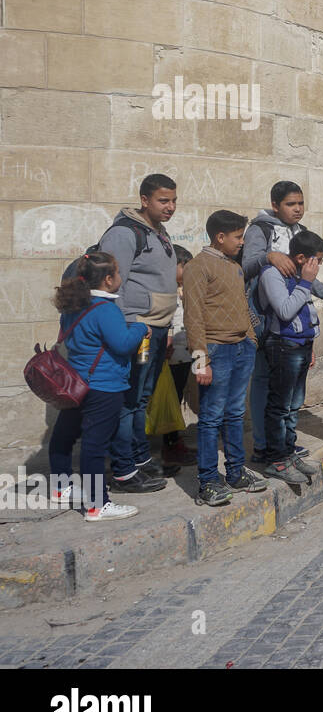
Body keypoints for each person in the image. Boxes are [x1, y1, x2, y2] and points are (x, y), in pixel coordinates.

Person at [242, 181, 323, 463]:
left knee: (290, 392)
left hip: (293, 324)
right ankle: (262, 445)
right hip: (265, 317)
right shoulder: (260, 229)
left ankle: (282, 445)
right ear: (275, 205)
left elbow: (309, 278)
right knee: (263, 381)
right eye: (290, 204)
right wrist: (268, 256)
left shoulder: (301, 234)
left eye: (300, 204)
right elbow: (244, 266)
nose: (297, 209)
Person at [47, 251, 149, 520]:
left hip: (75, 384)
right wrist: (140, 329)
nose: (119, 277)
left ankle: (60, 488)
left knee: (64, 437)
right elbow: (123, 345)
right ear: (107, 279)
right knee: (94, 446)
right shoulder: (106, 310)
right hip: (103, 387)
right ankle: (97, 505)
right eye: (116, 273)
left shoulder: (73, 307)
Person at [100, 173, 178, 494]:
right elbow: (110, 287)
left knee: (141, 399)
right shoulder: (124, 233)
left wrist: (168, 327)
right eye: (163, 200)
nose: (170, 207)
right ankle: (123, 470)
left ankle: (141, 460)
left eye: (173, 200)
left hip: (156, 330)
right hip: (136, 331)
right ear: (144, 200)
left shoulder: (159, 232)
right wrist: (124, 330)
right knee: (129, 401)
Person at [184, 210, 268, 506]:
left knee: (234, 414)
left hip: (241, 348)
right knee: (209, 418)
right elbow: (192, 316)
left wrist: (251, 339)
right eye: (238, 236)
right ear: (220, 238)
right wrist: (200, 360)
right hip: (215, 352)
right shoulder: (198, 267)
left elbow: (243, 304)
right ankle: (208, 482)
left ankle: (235, 473)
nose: (242, 242)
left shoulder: (234, 266)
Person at [256, 231, 323, 484]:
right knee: (279, 406)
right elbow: (286, 311)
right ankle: (276, 459)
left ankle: (288, 452)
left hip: (301, 346)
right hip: (283, 346)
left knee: (294, 405)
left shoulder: (300, 275)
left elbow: (306, 314)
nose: (318, 266)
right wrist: (306, 282)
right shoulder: (272, 274)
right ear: (301, 258)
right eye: (316, 260)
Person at [161, 244, 195, 467]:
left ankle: (174, 442)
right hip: (172, 356)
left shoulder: (180, 289)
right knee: (170, 402)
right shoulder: (165, 291)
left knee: (176, 399)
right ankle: (170, 445)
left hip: (183, 354)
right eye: (185, 267)